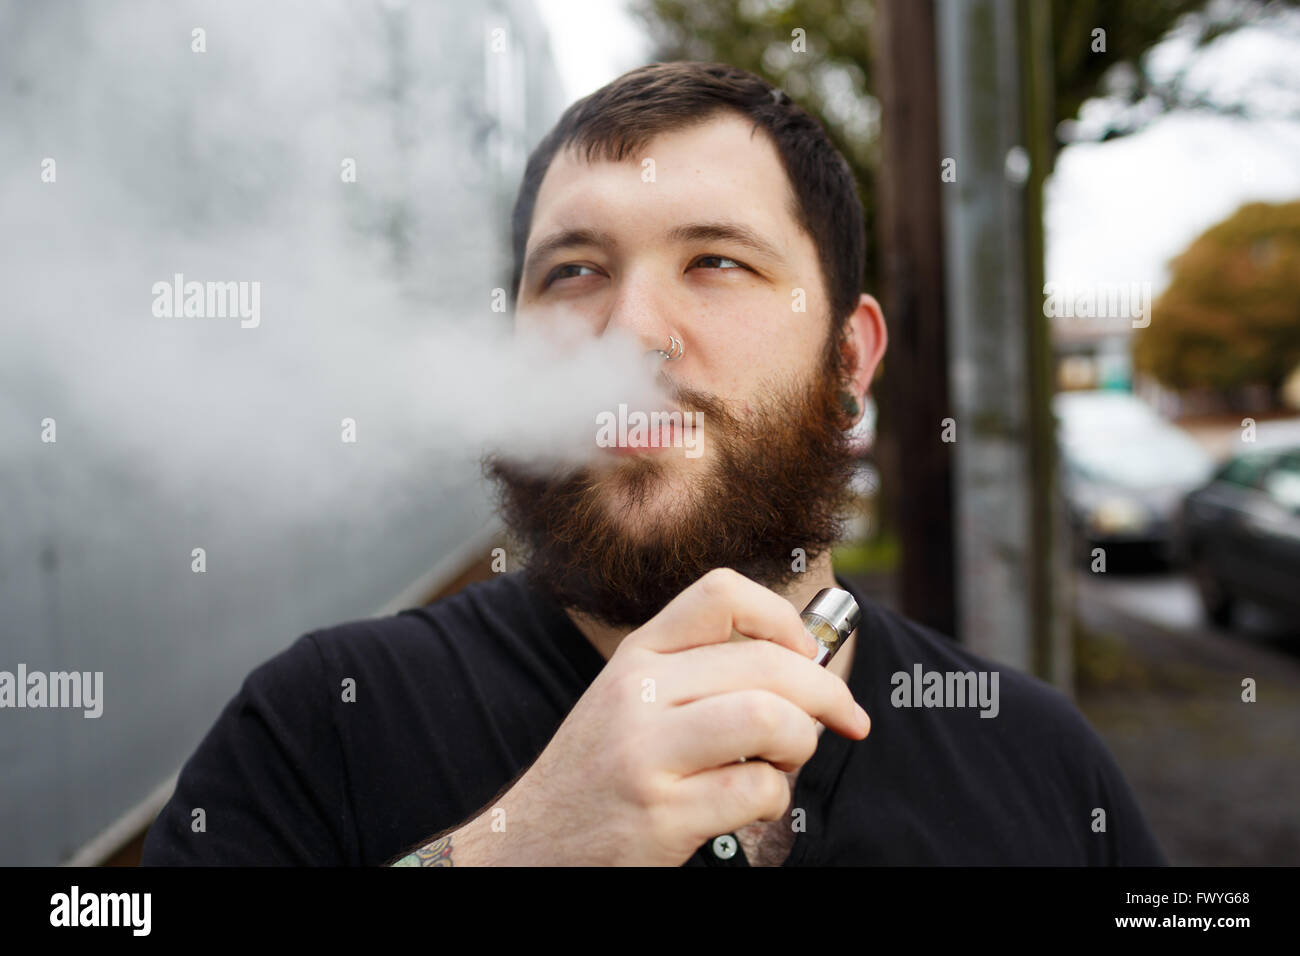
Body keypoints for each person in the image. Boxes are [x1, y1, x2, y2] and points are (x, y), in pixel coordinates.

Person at [142, 61, 1166, 867]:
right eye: (573, 272)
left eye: (715, 261)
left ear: (849, 359)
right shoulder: (320, 721)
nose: (629, 332)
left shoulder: (1036, 755)